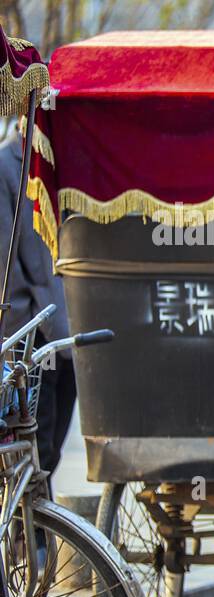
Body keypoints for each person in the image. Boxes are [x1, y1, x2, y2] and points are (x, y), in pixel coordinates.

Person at [0, 129, 76, 479]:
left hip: (69, 328)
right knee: (36, 445)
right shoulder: (6, 164)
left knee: (53, 446)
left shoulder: (66, 161)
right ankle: (31, 532)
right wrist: (34, 318)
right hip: (30, 332)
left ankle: (33, 526)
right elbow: (6, 262)